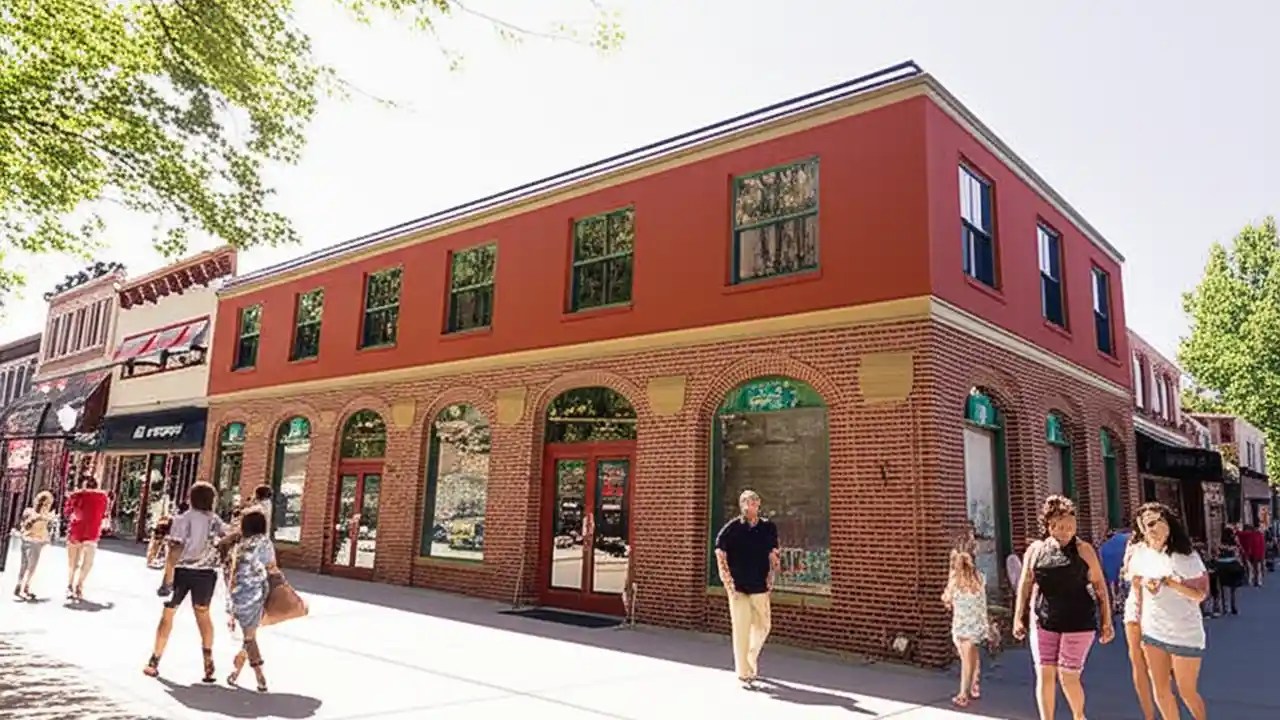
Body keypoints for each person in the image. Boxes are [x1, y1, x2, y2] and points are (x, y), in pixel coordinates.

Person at [1013, 495, 1113, 720]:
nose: (1067, 531)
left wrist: (1107, 621)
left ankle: (1079, 716)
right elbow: (1025, 584)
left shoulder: (1084, 550)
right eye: (1061, 526)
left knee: (1068, 675)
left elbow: (1099, 586)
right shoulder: (1036, 550)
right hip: (1044, 620)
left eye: (1071, 526)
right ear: (1050, 526)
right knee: (1045, 674)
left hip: (1079, 621)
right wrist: (1018, 617)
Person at [1129, 502, 1209, 720]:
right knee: (1161, 691)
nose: (1149, 530)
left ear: (1168, 523)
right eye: (1144, 526)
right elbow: (1135, 585)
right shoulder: (1142, 555)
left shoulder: (1187, 556)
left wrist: (1172, 583)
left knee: (1186, 691)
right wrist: (1146, 583)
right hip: (1153, 630)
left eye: (1154, 523)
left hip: (1184, 633)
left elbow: (1200, 595)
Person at [143, 482, 228, 682]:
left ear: (191, 498)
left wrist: (168, 579)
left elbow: (174, 550)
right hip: (207, 574)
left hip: (182, 572)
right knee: (203, 615)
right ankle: (208, 661)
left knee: (168, 614)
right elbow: (226, 541)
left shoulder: (182, 519)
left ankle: (154, 660)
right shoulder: (215, 521)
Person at [713, 489, 780, 689]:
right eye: (745, 503)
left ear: (758, 505)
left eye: (753, 502)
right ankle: (744, 672)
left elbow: (773, 551)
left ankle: (750, 657)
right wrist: (726, 577)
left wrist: (773, 569)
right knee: (741, 628)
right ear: (741, 505)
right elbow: (719, 549)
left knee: (763, 625)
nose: (749, 506)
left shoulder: (768, 527)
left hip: (759, 584)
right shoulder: (732, 528)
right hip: (738, 585)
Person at [226, 509, 277, 692]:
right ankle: (239, 670)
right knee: (250, 636)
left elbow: (233, 573)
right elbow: (271, 566)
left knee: (249, 637)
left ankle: (258, 675)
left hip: (240, 594)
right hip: (257, 593)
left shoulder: (241, 545)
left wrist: (229, 604)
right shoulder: (266, 543)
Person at [942, 548, 988, 708]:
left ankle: (963, 694)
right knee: (972, 656)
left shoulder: (954, 584)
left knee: (966, 661)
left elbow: (947, 601)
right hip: (977, 625)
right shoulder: (980, 579)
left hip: (962, 628)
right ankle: (975, 682)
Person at [1121, 516, 1156, 720]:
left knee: (1149, 666)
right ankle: (1151, 713)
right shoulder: (1137, 549)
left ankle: (1154, 711)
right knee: (1143, 665)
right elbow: (1135, 582)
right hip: (1140, 613)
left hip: (1150, 613)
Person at [63, 477, 110, 601]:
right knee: (87, 563)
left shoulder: (76, 495)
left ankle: (71, 585)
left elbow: (67, 511)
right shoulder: (103, 497)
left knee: (73, 562)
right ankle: (78, 585)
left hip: (76, 531)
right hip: (92, 532)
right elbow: (105, 513)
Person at [14, 491, 56, 601]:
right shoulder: (42, 516)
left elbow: (24, 526)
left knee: (24, 566)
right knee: (31, 567)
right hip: (34, 542)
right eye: (48, 503)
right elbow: (33, 527)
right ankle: (24, 589)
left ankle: (20, 587)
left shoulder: (29, 511)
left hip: (26, 541)